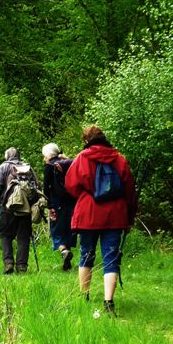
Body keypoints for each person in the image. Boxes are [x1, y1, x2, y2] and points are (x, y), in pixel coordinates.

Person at [65, 126, 137, 317]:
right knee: (111, 257)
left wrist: (86, 194)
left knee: (86, 254)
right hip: (115, 214)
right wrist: (130, 218)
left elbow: (71, 186)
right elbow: (130, 190)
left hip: (89, 213)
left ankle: (84, 296)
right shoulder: (119, 159)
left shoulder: (82, 158)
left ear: (86, 139)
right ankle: (108, 301)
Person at [0, 147, 40, 274]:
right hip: (26, 208)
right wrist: (31, 203)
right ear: (19, 156)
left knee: (5, 235)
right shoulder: (28, 167)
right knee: (24, 237)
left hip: (8, 207)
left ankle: (8, 263)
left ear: (7, 156)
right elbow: (37, 187)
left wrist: (0, 201)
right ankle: (22, 266)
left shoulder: (3, 167)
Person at [43, 143, 77, 271]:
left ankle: (63, 251)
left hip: (57, 202)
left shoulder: (49, 166)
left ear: (48, 154)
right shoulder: (69, 163)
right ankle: (67, 258)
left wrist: (49, 205)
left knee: (56, 229)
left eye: (44, 156)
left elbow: (46, 188)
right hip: (72, 201)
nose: (44, 158)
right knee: (69, 228)